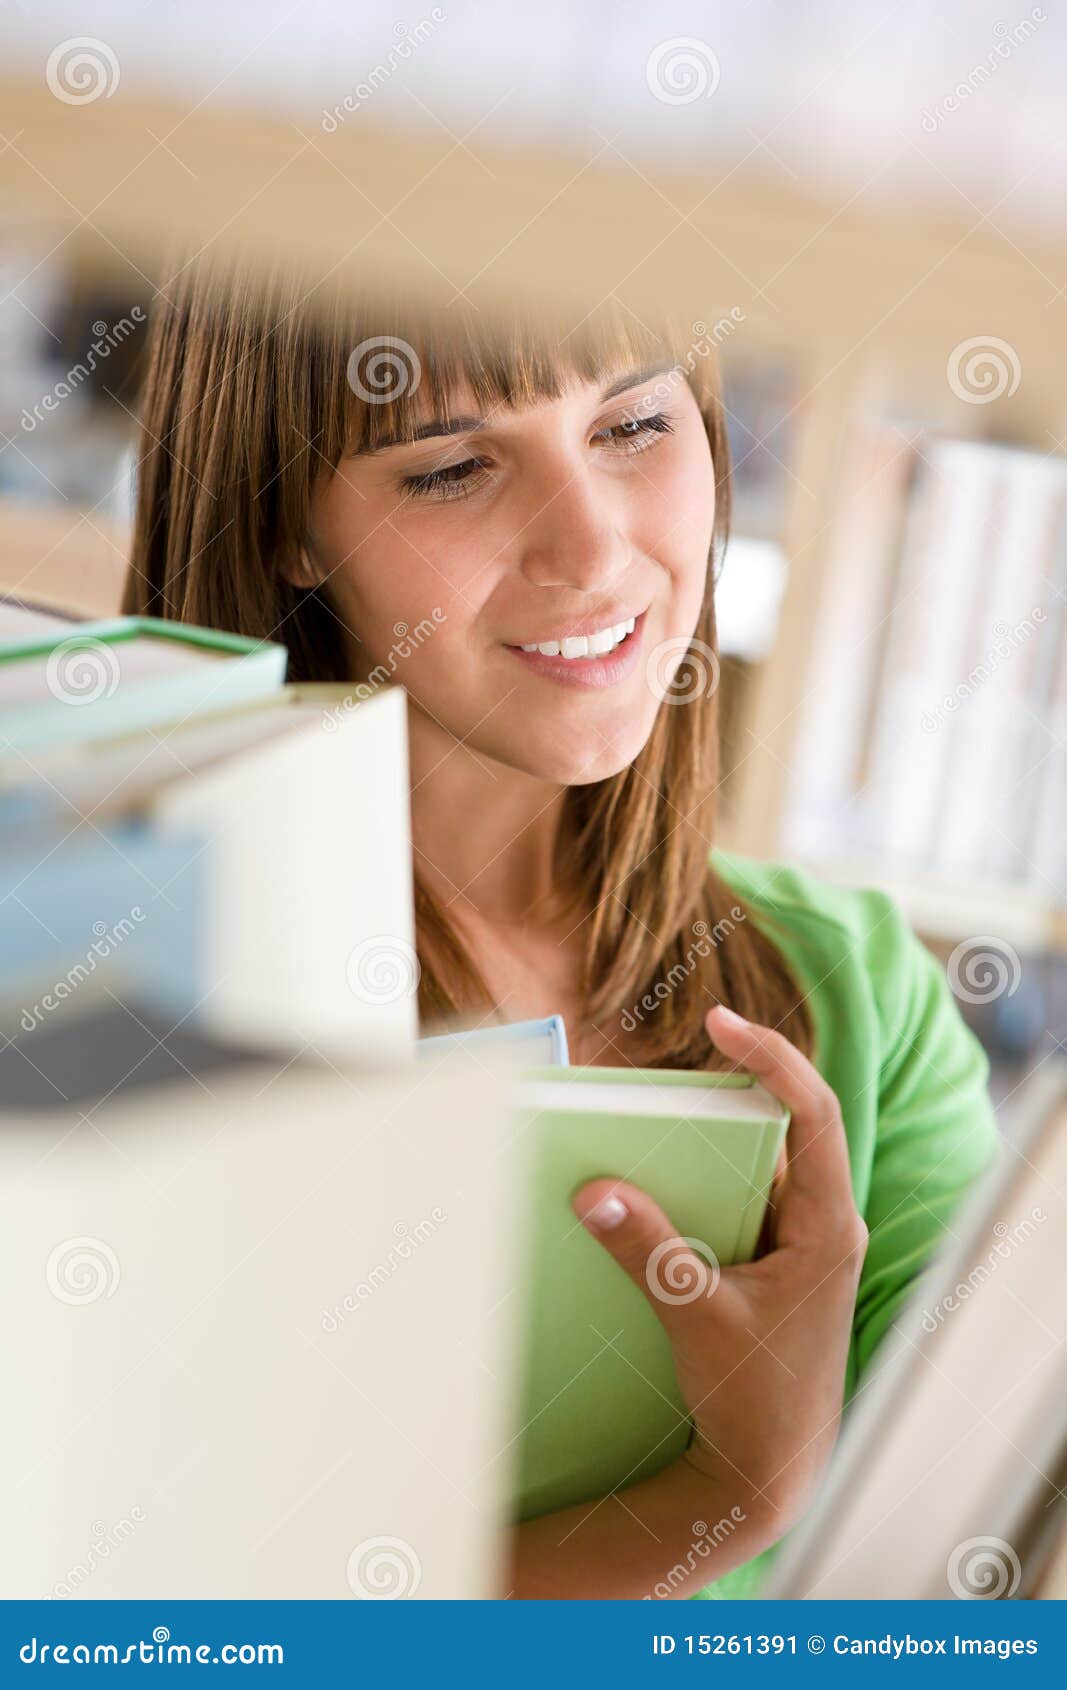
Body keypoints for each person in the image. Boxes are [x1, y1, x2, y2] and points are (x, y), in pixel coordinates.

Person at [123, 263, 999, 1598]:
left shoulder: (860, 986)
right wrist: (726, 1498)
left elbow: (957, 1602)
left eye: (635, 425)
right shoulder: (117, 982)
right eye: (449, 469)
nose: (591, 550)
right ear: (287, 525)